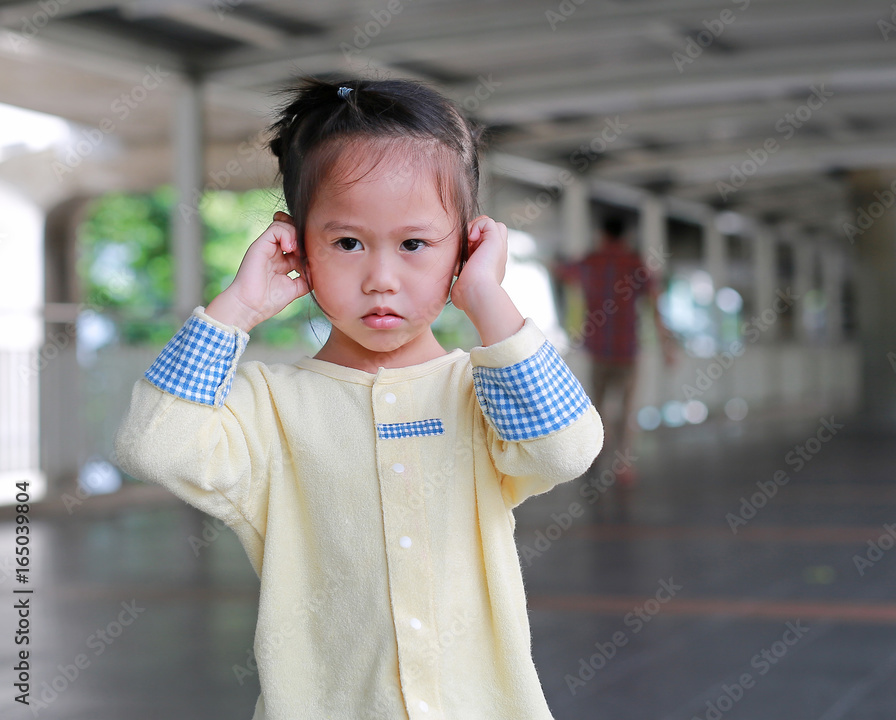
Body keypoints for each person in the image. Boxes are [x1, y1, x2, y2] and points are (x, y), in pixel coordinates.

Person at [115, 78, 603, 719]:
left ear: (465, 247)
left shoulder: (484, 391)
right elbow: (153, 447)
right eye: (347, 243)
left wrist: (489, 299)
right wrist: (239, 307)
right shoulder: (269, 407)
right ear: (297, 245)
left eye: (414, 244)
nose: (381, 279)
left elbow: (565, 449)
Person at [556, 216, 674, 511]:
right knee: (626, 409)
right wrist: (667, 346)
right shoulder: (635, 264)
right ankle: (623, 465)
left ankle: (594, 458)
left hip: (598, 349)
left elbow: (563, 272)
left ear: (602, 234)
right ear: (625, 236)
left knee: (596, 408)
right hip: (627, 349)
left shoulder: (590, 261)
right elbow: (655, 305)